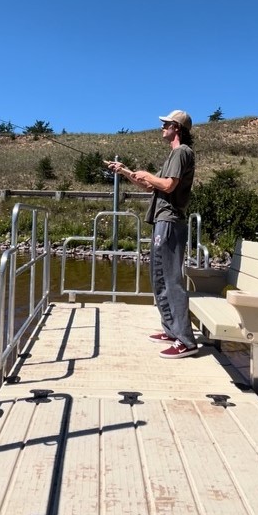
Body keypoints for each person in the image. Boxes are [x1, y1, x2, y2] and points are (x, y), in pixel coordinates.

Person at [107, 109, 197, 358]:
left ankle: (186, 341)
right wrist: (126, 172)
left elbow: (168, 185)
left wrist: (147, 174)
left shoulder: (182, 153)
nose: (162, 128)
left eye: (165, 124)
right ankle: (171, 330)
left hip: (170, 221)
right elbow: (151, 186)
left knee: (171, 280)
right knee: (159, 278)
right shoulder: (174, 154)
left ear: (176, 128)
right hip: (162, 220)